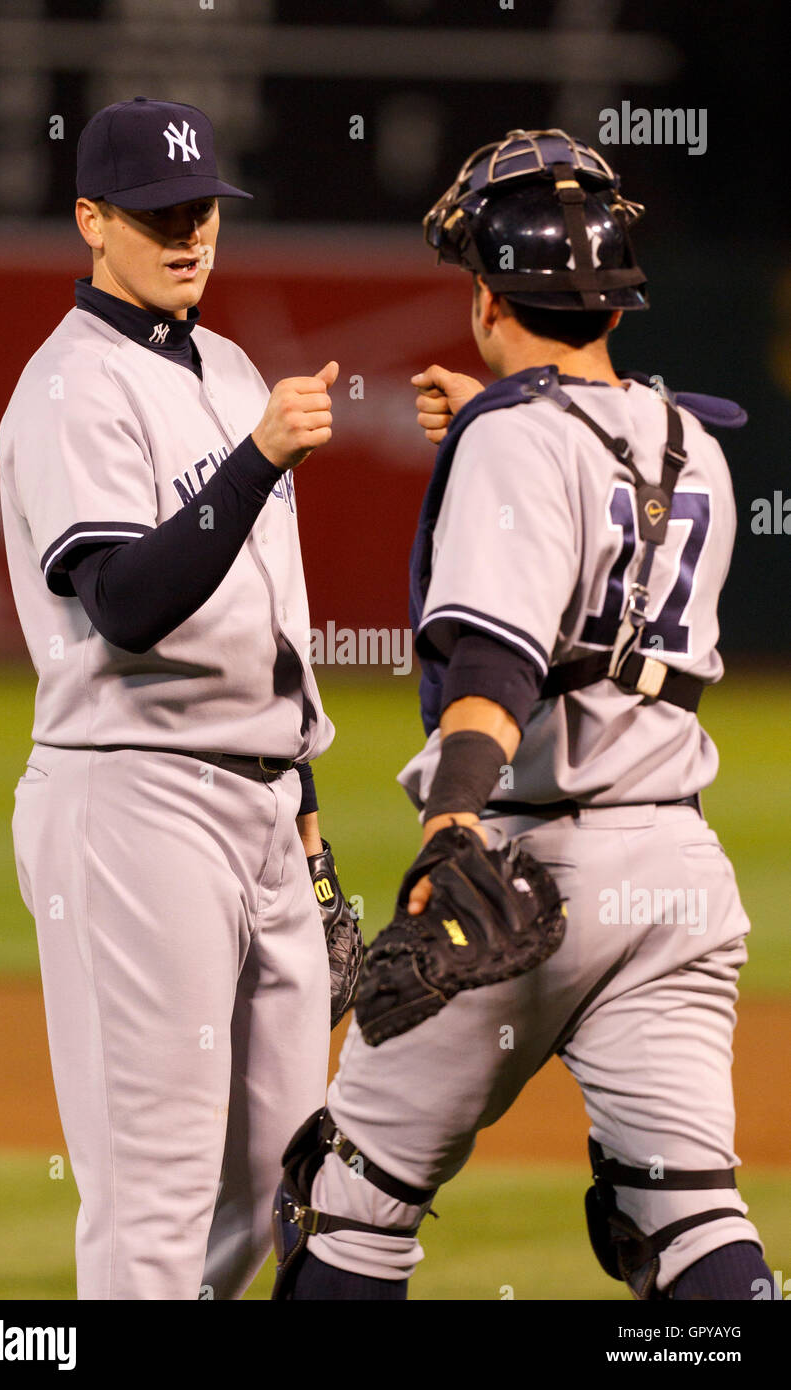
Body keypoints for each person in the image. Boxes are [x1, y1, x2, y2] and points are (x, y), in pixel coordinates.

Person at [271, 129, 771, 1302]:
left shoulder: (510, 438)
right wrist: (504, 413)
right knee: (685, 1216)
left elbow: (497, 661)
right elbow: (591, 481)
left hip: (531, 869)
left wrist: (448, 830)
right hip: (678, 881)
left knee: (346, 1199)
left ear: (490, 295)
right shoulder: (692, 437)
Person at [0, 96, 352, 1300]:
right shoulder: (68, 388)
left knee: (277, 1178)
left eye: (201, 207)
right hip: (135, 802)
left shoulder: (229, 363)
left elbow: (271, 629)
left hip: (258, 803)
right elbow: (127, 603)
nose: (188, 231)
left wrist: (305, 822)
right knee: (152, 1201)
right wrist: (256, 460)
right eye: (157, 213)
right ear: (92, 221)